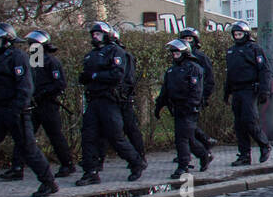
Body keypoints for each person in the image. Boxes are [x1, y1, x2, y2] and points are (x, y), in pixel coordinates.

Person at [0, 24, 58, 197]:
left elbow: (25, 86)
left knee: (28, 148)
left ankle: (48, 182)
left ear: (6, 40)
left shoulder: (17, 57)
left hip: (17, 110)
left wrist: (17, 108)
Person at [76, 22, 146, 185]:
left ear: (107, 35)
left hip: (109, 100)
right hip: (93, 100)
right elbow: (88, 74)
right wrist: (85, 77)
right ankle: (90, 171)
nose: (94, 36)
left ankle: (136, 162)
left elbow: (116, 75)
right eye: (93, 34)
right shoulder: (91, 54)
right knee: (88, 136)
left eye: (98, 34)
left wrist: (94, 76)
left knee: (115, 136)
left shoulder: (116, 52)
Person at [3, 29, 76, 179]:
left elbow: (60, 84)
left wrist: (43, 93)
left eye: (32, 44)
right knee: (24, 137)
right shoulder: (33, 61)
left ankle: (67, 164)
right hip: (33, 105)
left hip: (48, 105)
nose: (30, 47)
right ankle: (17, 168)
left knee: (55, 136)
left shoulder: (52, 61)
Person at [154, 38, 210, 180]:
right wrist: (159, 105)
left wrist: (192, 105)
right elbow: (165, 90)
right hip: (177, 108)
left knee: (182, 138)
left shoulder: (194, 68)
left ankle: (183, 166)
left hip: (189, 108)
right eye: (173, 53)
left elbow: (196, 90)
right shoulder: (172, 70)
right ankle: (204, 155)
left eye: (177, 53)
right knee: (189, 138)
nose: (174, 56)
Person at [223, 20, 273, 166]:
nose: (237, 37)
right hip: (237, 90)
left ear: (246, 34)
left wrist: (265, 91)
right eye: (235, 34)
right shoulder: (231, 51)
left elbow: (264, 70)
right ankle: (244, 155)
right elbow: (230, 74)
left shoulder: (254, 49)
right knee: (239, 124)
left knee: (250, 121)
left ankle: (264, 145)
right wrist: (226, 92)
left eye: (240, 34)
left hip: (250, 89)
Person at [179, 27, 217, 154]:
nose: (187, 41)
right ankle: (204, 142)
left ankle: (202, 147)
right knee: (186, 125)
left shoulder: (200, 57)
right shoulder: (180, 57)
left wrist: (205, 96)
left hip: (197, 96)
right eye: (184, 39)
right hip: (183, 97)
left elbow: (209, 79)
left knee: (188, 125)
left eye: (190, 39)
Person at [112, 28, 146, 160]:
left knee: (130, 127)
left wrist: (123, 92)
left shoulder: (124, 55)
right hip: (110, 98)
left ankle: (140, 155)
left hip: (124, 97)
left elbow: (128, 77)